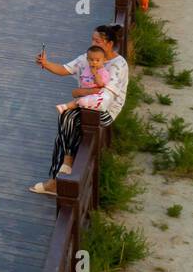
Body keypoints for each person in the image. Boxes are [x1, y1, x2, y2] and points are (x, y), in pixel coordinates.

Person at [30, 25, 129, 194]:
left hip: (105, 111)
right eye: (92, 39)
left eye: (97, 41)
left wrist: (78, 92)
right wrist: (45, 64)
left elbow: (104, 96)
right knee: (65, 118)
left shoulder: (118, 65)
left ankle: (60, 173)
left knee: (68, 119)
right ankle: (61, 171)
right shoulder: (88, 57)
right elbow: (64, 69)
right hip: (83, 105)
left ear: (110, 44)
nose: (93, 43)